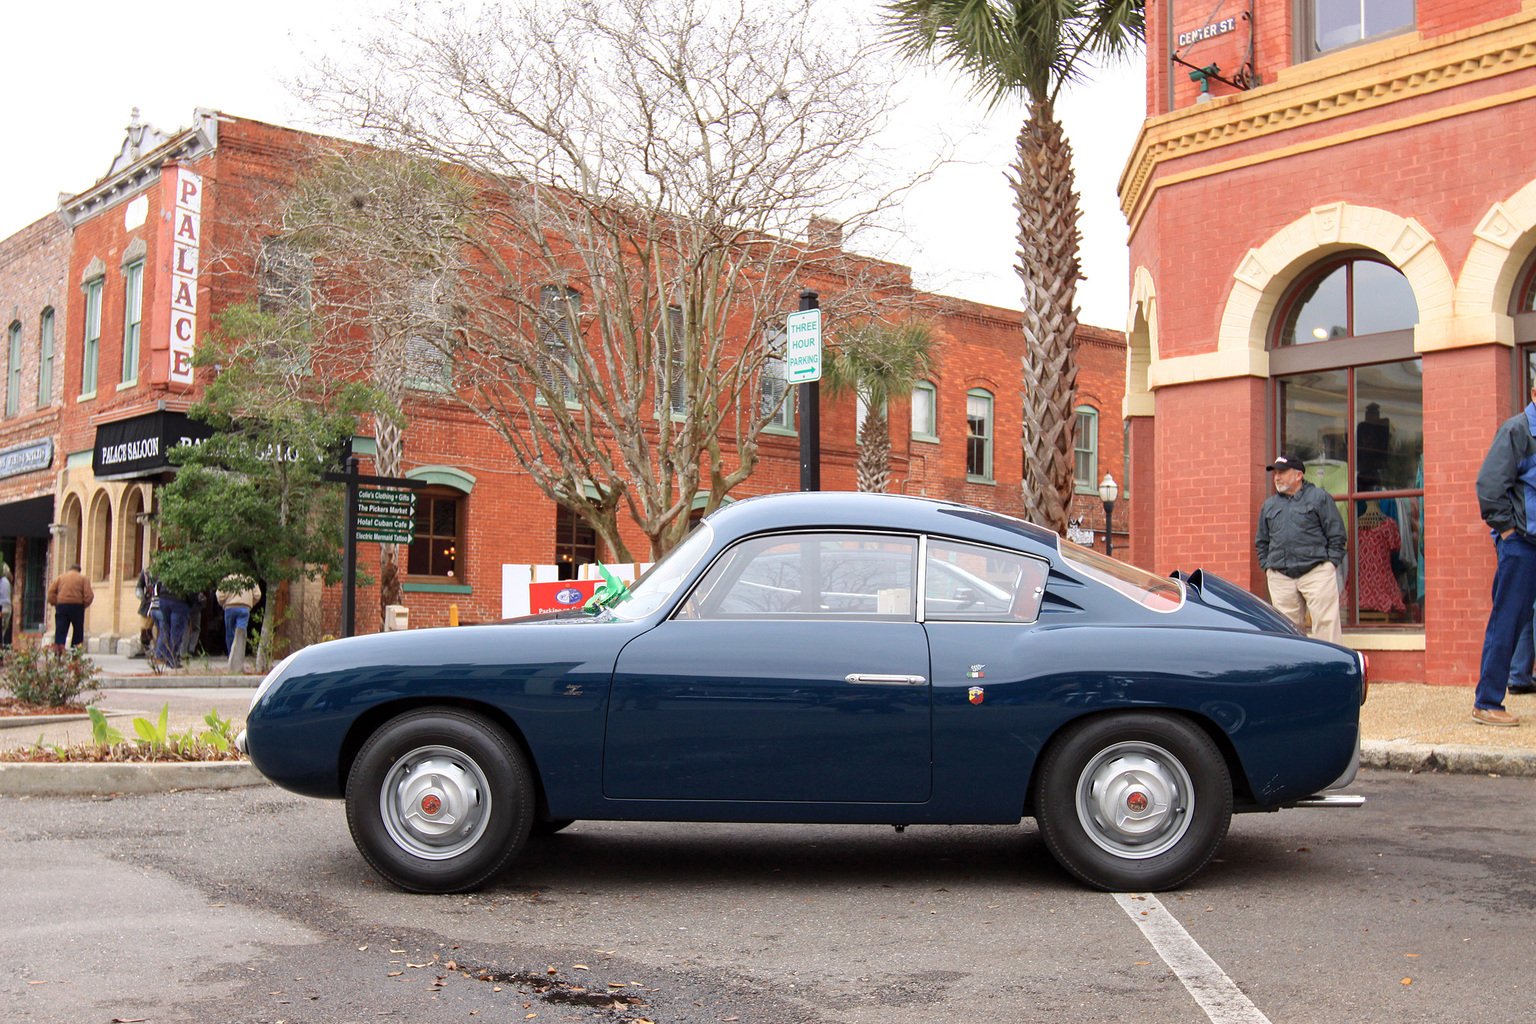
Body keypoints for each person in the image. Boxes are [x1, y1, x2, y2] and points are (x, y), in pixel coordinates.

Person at [1472, 383, 1536, 726]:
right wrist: (1508, 532)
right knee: (1508, 621)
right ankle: (1487, 702)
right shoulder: (1517, 430)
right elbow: (1488, 485)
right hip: (1522, 545)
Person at [1255, 452, 1347, 646]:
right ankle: (1296, 673)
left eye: (1282, 472)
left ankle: (1329, 672)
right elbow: (1261, 541)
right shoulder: (1269, 505)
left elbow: (1337, 534)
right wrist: (1268, 567)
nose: (1277, 477)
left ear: (1298, 475)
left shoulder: (1319, 497)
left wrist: (1331, 564)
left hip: (1316, 572)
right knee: (1287, 631)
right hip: (1281, 577)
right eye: (1275, 473)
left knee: (1326, 626)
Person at [46, 563, 94, 648]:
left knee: (60, 630)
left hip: (62, 606)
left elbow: (50, 592)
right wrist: (83, 605)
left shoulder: (60, 578)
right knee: (78, 631)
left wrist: (55, 602)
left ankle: (59, 653)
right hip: (77, 606)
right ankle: (75, 653)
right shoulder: (83, 579)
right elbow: (89, 596)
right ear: (79, 571)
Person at [217, 575, 262, 655]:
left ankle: (231, 655)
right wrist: (250, 603)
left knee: (230, 633)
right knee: (241, 632)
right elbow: (257, 595)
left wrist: (224, 604)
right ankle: (239, 655)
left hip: (230, 608)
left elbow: (220, 596)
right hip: (244, 608)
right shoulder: (249, 580)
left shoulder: (227, 580)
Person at [155, 585, 191, 669]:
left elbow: (158, 585)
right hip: (179, 601)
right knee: (176, 631)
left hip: (164, 599)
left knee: (165, 629)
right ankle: (172, 658)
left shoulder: (166, 572)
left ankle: (164, 655)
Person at [0, 561, 13, 648]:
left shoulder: (1, 581)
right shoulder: (7, 582)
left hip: (1, 607)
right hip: (8, 608)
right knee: (3, 631)